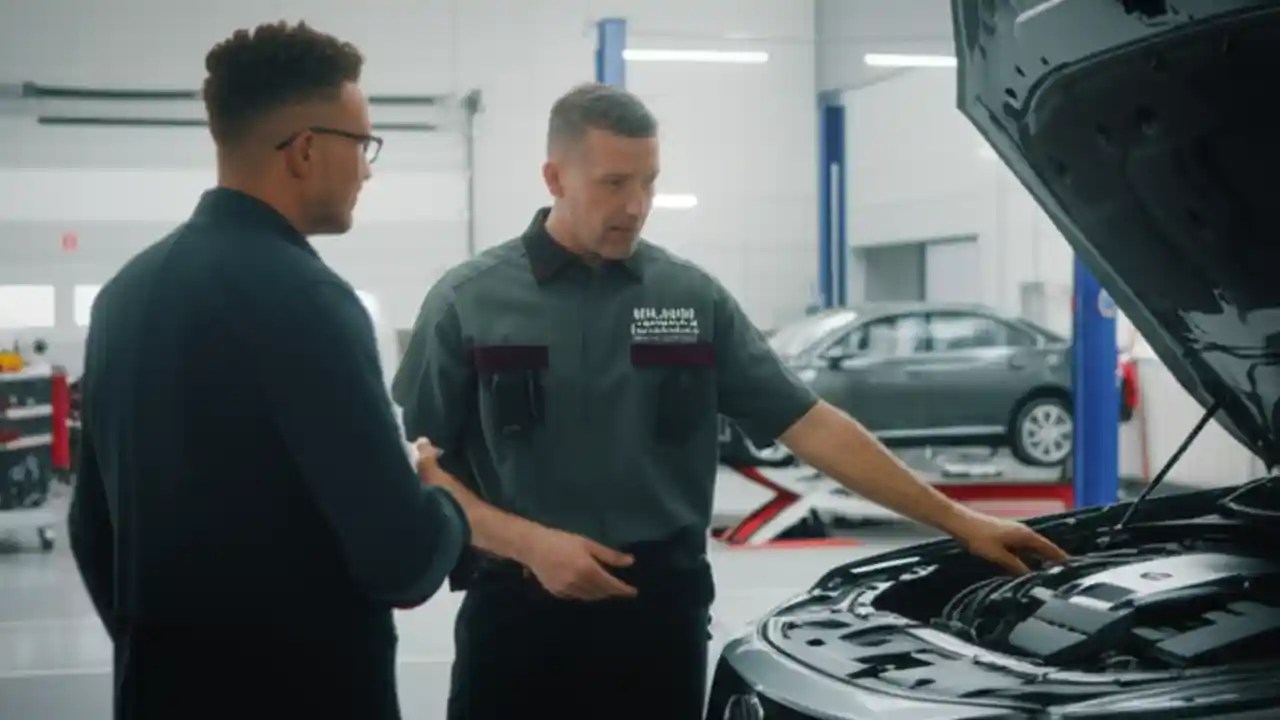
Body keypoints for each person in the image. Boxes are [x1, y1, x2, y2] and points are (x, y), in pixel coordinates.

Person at [393, 82, 1069, 719]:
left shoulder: (689, 298)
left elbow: (810, 425)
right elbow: (424, 468)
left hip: (657, 615)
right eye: (613, 184)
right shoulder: (470, 301)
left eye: (649, 182)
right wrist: (531, 544)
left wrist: (962, 522)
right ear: (554, 178)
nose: (635, 204)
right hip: (517, 612)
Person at [66, 21, 470, 720]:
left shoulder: (124, 296)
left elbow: (90, 530)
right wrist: (443, 503)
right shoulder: (312, 303)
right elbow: (399, 559)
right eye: (363, 144)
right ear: (307, 150)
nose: (368, 169)